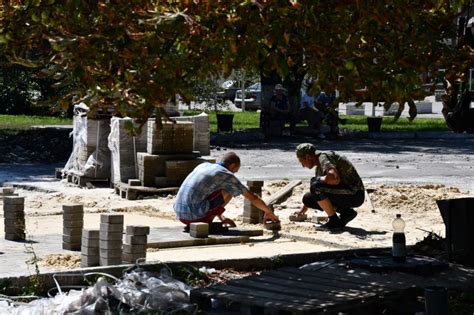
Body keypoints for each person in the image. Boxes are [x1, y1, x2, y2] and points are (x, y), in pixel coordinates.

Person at [174, 152, 279, 231]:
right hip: (194, 216)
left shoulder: (204, 165)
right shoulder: (225, 174)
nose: (235, 173)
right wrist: (268, 211)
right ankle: (208, 221)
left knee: (222, 189)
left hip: (180, 214)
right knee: (230, 190)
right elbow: (252, 197)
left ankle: (213, 217)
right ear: (232, 166)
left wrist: (221, 216)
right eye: (235, 170)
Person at [295, 143, 365, 230]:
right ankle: (347, 213)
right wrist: (304, 208)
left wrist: (318, 179)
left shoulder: (323, 157)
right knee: (308, 199)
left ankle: (334, 221)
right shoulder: (319, 167)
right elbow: (318, 192)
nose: (302, 165)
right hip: (346, 193)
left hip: (355, 194)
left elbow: (334, 178)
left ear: (308, 156)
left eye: (302, 160)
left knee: (316, 185)